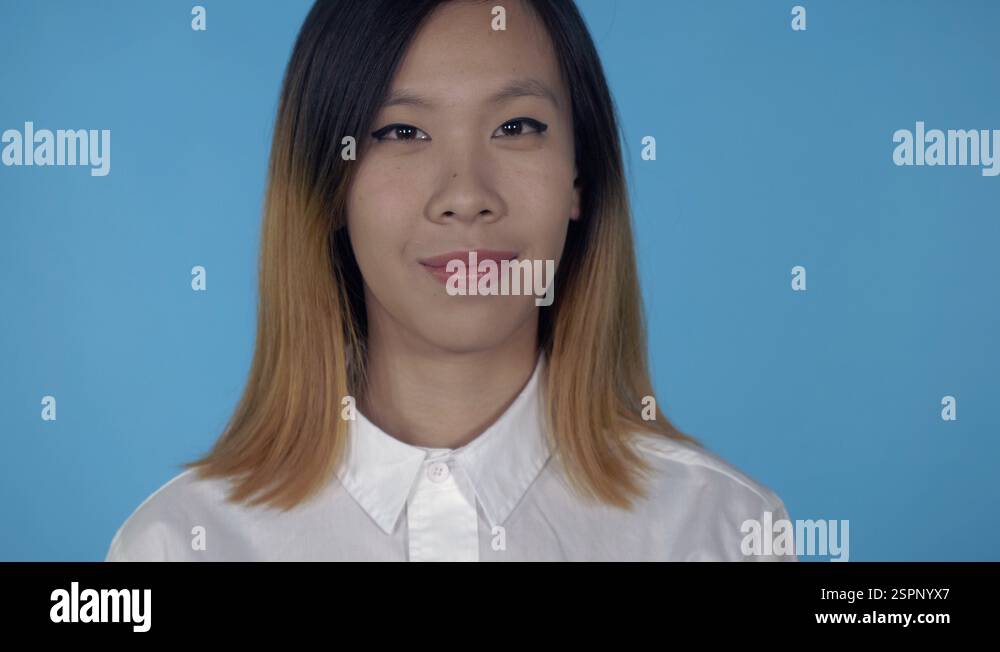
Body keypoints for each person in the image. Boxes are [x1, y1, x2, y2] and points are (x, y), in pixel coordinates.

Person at [106, 0, 794, 562]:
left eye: (516, 126)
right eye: (401, 133)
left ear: (579, 177)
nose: (466, 195)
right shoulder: (177, 548)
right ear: (329, 186)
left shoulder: (721, 532)